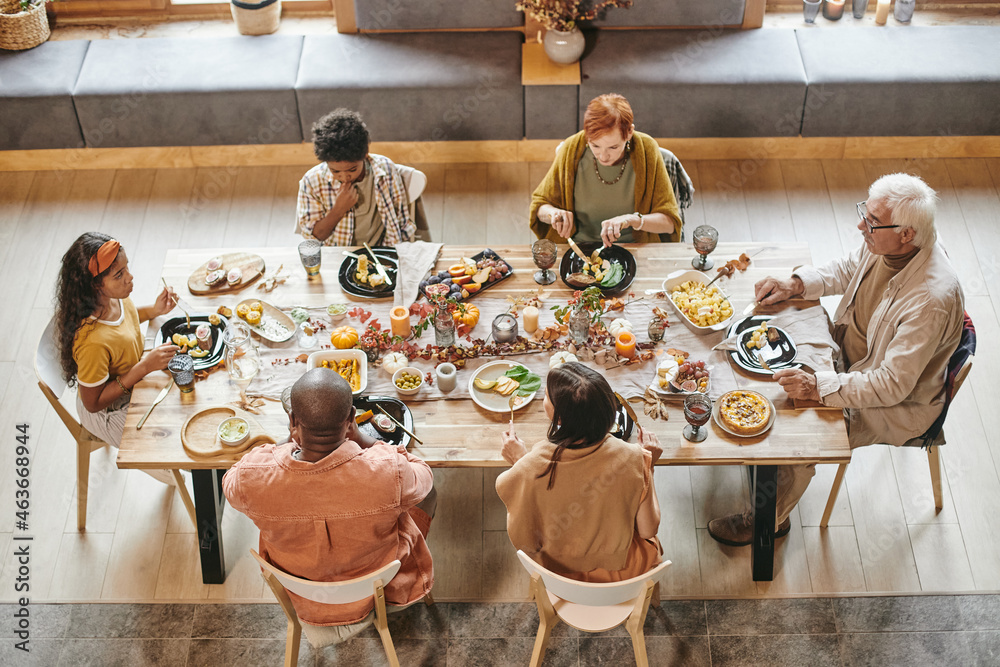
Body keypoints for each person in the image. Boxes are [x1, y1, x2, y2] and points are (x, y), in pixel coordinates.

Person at [708, 173, 966, 547]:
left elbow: (891, 385)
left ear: (907, 233)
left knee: (794, 435)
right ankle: (762, 466)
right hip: (845, 353)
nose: (861, 225)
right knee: (769, 334)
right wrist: (794, 284)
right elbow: (848, 268)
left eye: (872, 221)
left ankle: (768, 519)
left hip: (889, 401)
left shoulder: (930, 300)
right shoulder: (888, 245)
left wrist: (817, 386)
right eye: (865, 212)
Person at [223, 368, 435, 635]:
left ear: (293, 420)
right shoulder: (387, 471)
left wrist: (286, 444)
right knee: (425, 497)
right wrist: (363, 440)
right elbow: (424, 475)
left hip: (305, 596)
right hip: (377, 587)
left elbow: (230, 480)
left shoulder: (251, 478)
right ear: (350, 418)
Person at [495, 362, 663, 582]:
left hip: (555, 572)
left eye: (546, 396)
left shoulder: (530, 467)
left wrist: (521, 461)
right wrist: (647, 467)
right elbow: (648, 530)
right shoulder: (635, 458)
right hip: (625, 574)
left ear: (560, 418)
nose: (543, 399)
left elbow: (524, 540)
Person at [55, 232, 179, 455]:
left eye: (126, 268)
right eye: (119, 275)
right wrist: (144, 368)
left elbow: (125, 320)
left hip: (134, 373)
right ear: (94, 286)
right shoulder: (92, 342)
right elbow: (93, 403)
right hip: (110, 410)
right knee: (174, 444)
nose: (129, 278)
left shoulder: (111, 297)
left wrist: (154, 310)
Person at [530, 93, 683, 247]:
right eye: (595, 145)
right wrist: (553, 214)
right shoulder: (571, 148)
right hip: (578, 248)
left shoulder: (647, 150)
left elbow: (669, 223)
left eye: (613, 147)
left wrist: (632, 220)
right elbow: (539, 205)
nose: (603, 156)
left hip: (634, 248)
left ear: (629, 132)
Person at [296, 108, 416, 246]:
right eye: (335, 171)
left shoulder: (385, 169)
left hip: (380, 251)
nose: (345, 177)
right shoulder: (311, 182)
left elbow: (401, 222)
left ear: (365, 155)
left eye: (352, 169)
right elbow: (314, 239)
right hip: (337, 255)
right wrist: (339, 210)